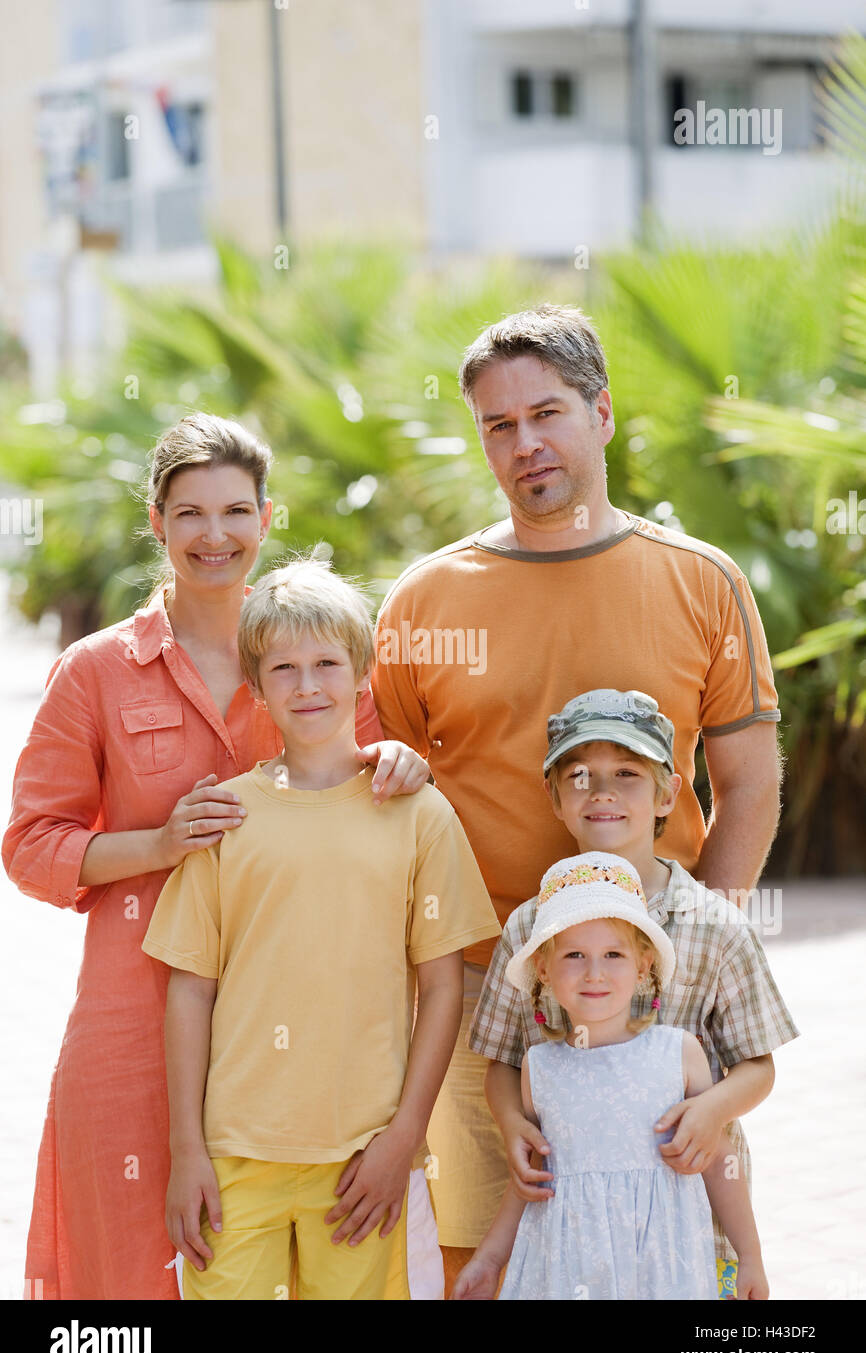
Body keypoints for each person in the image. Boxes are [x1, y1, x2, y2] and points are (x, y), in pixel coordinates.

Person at [371, 303, 783, 1290]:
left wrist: (690, 953)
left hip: (656, 995)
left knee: (687, 1260)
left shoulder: (699, 581)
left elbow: (748, 780)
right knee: (491, 1267)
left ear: (600, 414)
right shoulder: (423, 602)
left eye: (546, 413)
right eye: (497, 426)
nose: (524, 444)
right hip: (487, 996)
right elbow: (377, 788)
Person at [1, 413, 431, 1301]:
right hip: (132, 1020)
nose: (214, 535)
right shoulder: (96, 671)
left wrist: (397, 761)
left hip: (296, 1039)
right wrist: (157, 845)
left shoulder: (312, 658)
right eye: (189, 513)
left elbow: (371, 795)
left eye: (236, 511)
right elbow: (31, 846)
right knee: (129, 1283)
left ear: (268, 519)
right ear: (156, 522)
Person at [141, 557, 500, 1300]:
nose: (308, 686)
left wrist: (403, 1140)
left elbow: (441, 989)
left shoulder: (418, 815)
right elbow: (189, 991)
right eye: (285, 668)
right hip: (235, 1155)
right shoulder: (228, 817)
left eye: (328, 664)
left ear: (362, 673)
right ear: (258, 686)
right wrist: (187, 1152)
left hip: (363, 1157)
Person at [469, 688, 798, 1297]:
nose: (603, 792)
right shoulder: (529, 928)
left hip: (691, 1212)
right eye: (579, 776)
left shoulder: (715, 923)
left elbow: (758, 1065)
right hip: (575, 1229)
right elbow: (504, 1061)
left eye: (627, 774)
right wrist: (511, 1121)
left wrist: (711, 1109)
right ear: (554, 796)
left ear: (668, 793)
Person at [453, 852, 770, 1301]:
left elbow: (719, 1162)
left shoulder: (677, 1054)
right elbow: (532, 1177)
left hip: (661, 1268)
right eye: (575, 954)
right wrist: (488, 1259)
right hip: (566, 1269)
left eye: (614, 954)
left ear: (643, 965)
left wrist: (750, 1256)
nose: (595, 972)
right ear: (543, 968)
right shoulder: (538, 1069)